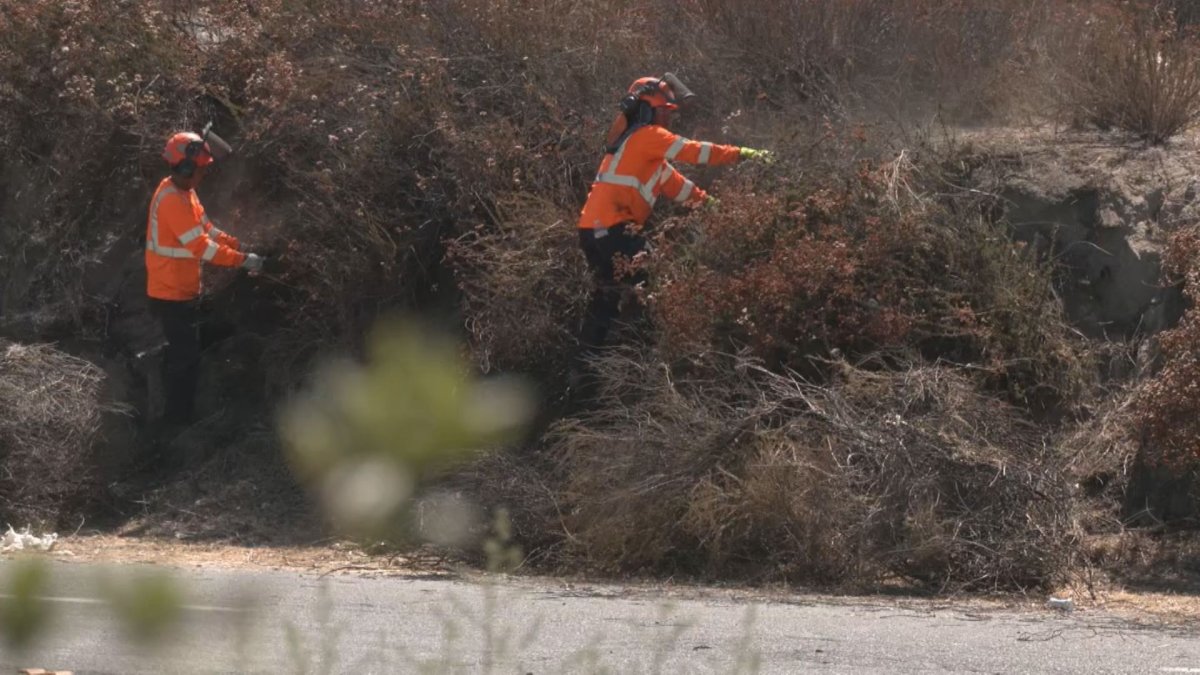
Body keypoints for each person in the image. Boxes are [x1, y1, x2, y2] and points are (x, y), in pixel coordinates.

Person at [573, 75, 774, 369]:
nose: (668, 116)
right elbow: (695, 152)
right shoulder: (647, 136)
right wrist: (742, 154)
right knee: (653, 283)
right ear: (646, 109)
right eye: (663, 110)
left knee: (607, 301)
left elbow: (683, 189)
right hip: (614, 230)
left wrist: (713, 207)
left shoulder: (643, 155)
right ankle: (652, 363)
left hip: (594, 233)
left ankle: (584, 375)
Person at [145, 129, 271, 425]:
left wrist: (236, 244)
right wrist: (244, 261)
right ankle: (176, 422)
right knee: (185, 360)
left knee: (194, 341)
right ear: (186, 167)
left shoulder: (184, 192)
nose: (204, 175)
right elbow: (201, 247)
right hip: (170, 294)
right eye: (201, 169)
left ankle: (161, 364)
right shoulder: (172, 201)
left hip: (183, 289)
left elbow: (208, 229)